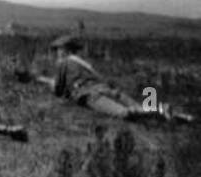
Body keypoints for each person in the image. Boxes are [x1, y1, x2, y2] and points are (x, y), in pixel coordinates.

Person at [28, 35, 194, 122]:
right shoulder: (85, 63)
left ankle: (162, 109)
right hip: (108, 89)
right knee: (140, 108)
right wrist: (43, 79)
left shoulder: (63, 63)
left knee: (124, 114)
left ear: (64, 50)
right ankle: (179, 115)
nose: (57, 52)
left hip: (91, 95)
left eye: (58, 50)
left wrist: (46, 82)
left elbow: (58, 90)